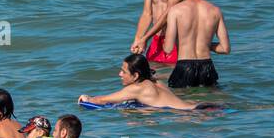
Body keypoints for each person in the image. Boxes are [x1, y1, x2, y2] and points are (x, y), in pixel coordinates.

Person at [164, 0, 230, 89]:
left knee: (180, 105)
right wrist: (206, 45)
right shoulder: (215, 11)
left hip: (184, 66)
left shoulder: (176, 10)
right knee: (209, 106)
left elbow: (168, 48)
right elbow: (225, 48)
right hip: (207, 67)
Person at [79, 53, 209, 110]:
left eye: (123, 71)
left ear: (135, 76)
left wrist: (87, 98)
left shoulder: (137, 88)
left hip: (193, 114)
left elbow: (102, 100)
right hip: (201, 107)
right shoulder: (156, 82)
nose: (120, 74)